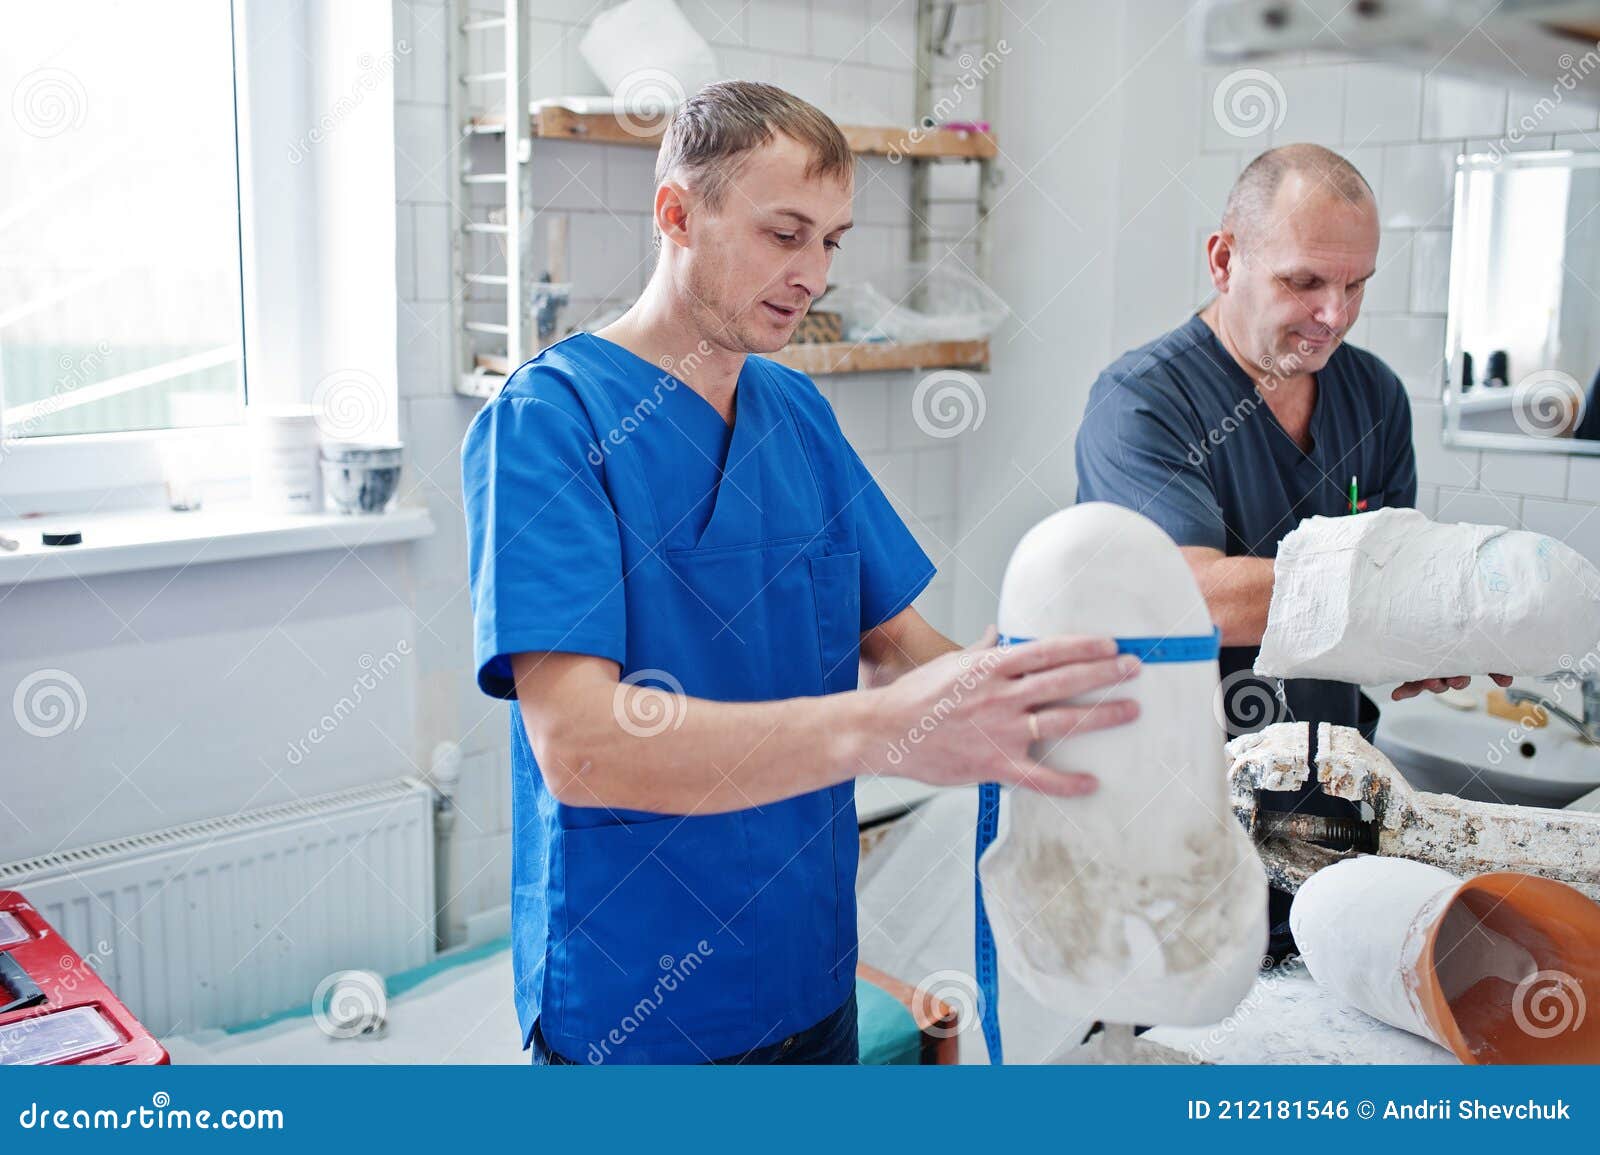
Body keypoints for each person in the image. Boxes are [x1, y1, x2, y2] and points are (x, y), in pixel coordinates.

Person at [462, 81, 1141, 1065]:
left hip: (808, 969)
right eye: (785, 234)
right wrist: (889, 731)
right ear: (676, 214)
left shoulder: (796, 415)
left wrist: (1044, 719)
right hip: (640, 1005)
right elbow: (582, 748)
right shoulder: (549, 422)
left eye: (832, 240)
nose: (814, 273)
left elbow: (901, 647)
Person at [1074, 143, 1509, 958]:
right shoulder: (1143, 403)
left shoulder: (1371, 394)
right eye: (1305, 281)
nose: (1335, 314)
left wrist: (1427, 635)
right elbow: (1194, 592)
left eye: (1356, 285)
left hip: (1331, 816)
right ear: (1224, 258)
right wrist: (1410, 600)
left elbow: (1386, 581)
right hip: (1182, 824)